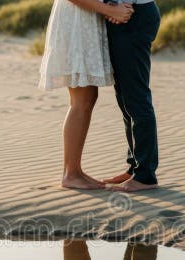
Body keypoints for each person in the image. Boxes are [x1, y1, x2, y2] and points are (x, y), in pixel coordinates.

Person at [39, 0, 134, 190]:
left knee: (88, 97)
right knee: (80, 100)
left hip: (85, 19)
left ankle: (74, 170)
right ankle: (70, 174)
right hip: (77, 21)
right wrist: (110, 10)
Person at [102, 0, 162, 192]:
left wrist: (122, 5)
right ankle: (134, 168)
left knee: (136, 98)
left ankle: (145, 176)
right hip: (126, 13)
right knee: (126, 100)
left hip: (132, 14)